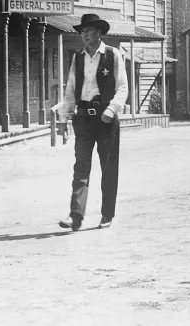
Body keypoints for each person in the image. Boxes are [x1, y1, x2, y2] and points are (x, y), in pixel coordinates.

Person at [55, 13, 128, 231]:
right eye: (82, 32)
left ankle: (107, 214)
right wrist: (63, 119)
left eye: (89, 31)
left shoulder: (112, 55)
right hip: (84, 118)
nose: (85, 36)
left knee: (108, 168)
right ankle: (75, 216)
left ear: (98, 33)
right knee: (81, 168)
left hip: (106, 120)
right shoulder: (78, 58)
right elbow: (70, 90)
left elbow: (122, 87)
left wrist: (112, 109)